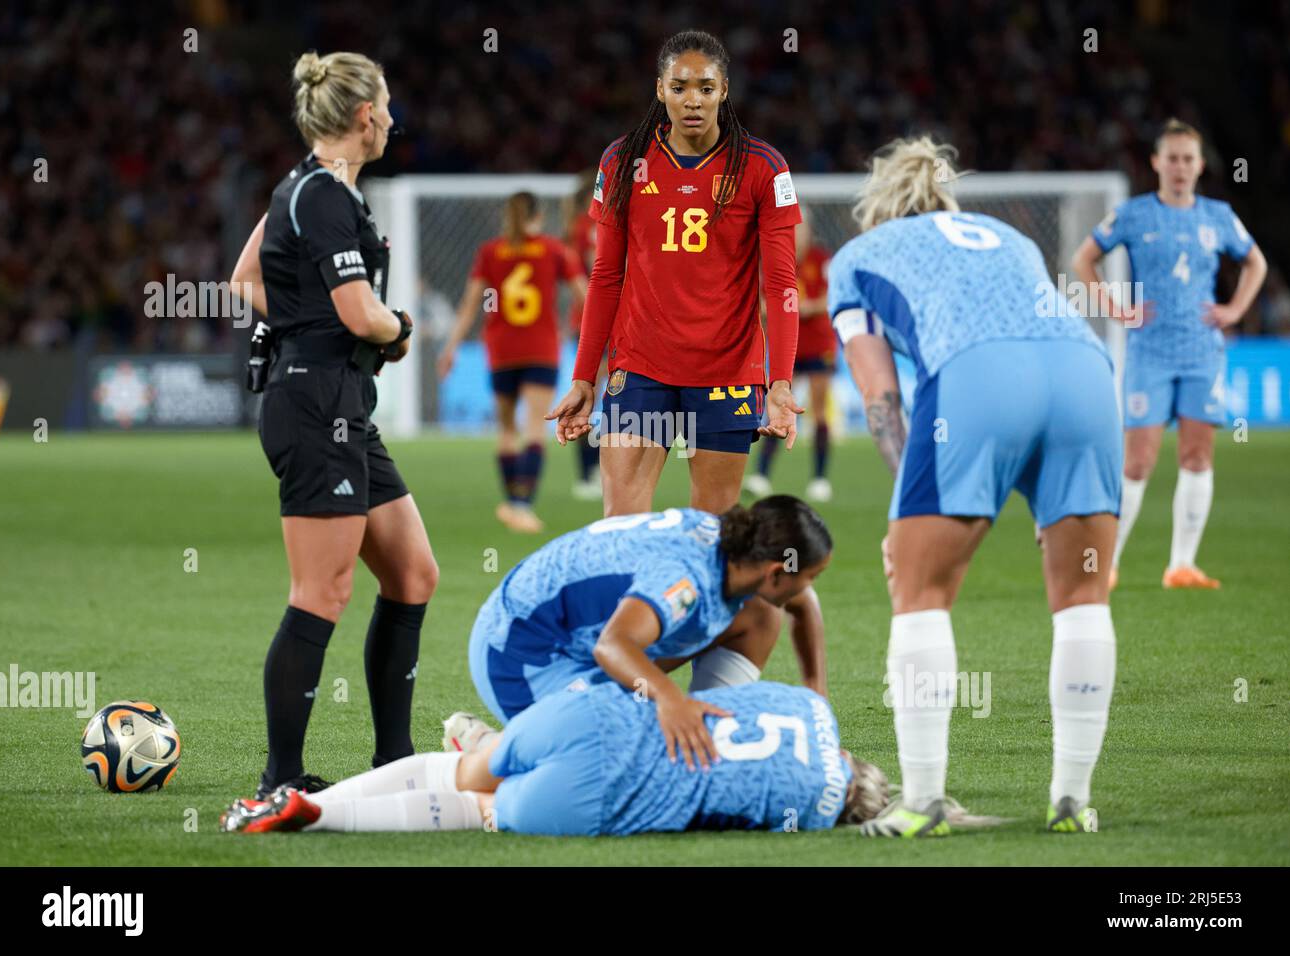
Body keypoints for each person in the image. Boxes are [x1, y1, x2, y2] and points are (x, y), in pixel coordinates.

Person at [830, 137, 1121, 836]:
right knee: (1084, 593)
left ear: (880, 209)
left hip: (979, 380)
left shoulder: (856, 258)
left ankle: (924, 804)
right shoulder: (1005, 236)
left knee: (921, 590)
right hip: (1085, 374)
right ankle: (1072, 804)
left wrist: (912, 514)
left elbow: (881, 398)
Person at [228, 51, 439, 799]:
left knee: (413, 574)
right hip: (317, 407)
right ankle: (279, 780)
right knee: (322, 591)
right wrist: (400, 326)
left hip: (339, 401)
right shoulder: (321, 195)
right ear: (364, 115)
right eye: (386, 104)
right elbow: (361, 314)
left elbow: (245, 279)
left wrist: (300, 327)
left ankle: (395, 764)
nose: (392, 117)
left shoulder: (308, 186)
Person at [546, 29, 804, 518]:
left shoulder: (763, 167)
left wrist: (781, 381)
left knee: (711, 535)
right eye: (680, 86)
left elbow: (782, 285)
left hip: (727, 372)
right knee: (620, 530)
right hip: (641, 368)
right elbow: (605, 277)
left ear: (724, 91)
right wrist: (583, 378)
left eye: (706, 88)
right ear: (660, 89)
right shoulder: (622, 161)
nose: (693, 100)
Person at [448, 496, 831, 772]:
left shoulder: (739, 549)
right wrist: (670, 699)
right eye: (810, 575)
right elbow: (613, 645)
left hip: (582, 637)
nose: (809, 586)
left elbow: (803, 602)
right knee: (612, 764)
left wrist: (818, 701)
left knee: (761, 612)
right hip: (520, 654)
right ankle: (486, 748)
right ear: (777, 571)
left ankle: (711, 738)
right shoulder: (685, 579)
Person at [221, 680, 890, 836]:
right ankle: (316, 816)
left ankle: (298, 797)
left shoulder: (811, 708)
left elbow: (715, 696)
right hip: (603, 790)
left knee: (453, 769)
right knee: (477, 807)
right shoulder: (811, 809)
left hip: (587, 713)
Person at [1071, 118, 1267, 590]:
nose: (1180, 167)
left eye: (1188, 159)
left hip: (1202, 352)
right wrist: (1115, 310)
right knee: (1138, 460)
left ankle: (1181, 565)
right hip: (1149, 353)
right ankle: (1109, 562)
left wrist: (1235, 308)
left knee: (1198, 456)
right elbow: (1083, 259)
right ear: (1157, 162)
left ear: (1200, 166)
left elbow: (1255, 261)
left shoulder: (1218, 216)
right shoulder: (1134, 214)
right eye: (1172, 158)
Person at [437, 192, 587, 533]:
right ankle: (521, 506)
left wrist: (450, 348)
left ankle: (510, 501)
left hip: (501, 349)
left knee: (506, 428)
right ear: (538, 215)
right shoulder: (554, 250)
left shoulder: (491, 251)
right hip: (540, 347)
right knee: (535, 425)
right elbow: (586, 297)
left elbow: (470, 305)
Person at [746, 208, 836, 503]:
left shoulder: (821, 259)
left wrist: (808, 307)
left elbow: (832, 296)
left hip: (818, 342)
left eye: (800, 230)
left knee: (819, 410)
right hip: (788, 346)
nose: (796, 236)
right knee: (779, 407)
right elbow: (760, 299)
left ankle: (820, 479)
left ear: (809, 231)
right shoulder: (773, 258)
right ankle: (761, 475)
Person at [563, 171, 605, 500]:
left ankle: (587, 474)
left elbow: (574, 272)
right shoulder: (598, 222)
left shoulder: (576, 228)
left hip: (585, 321)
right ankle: (592, 471)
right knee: (604, 397)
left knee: (590, 395)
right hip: (610, 320)